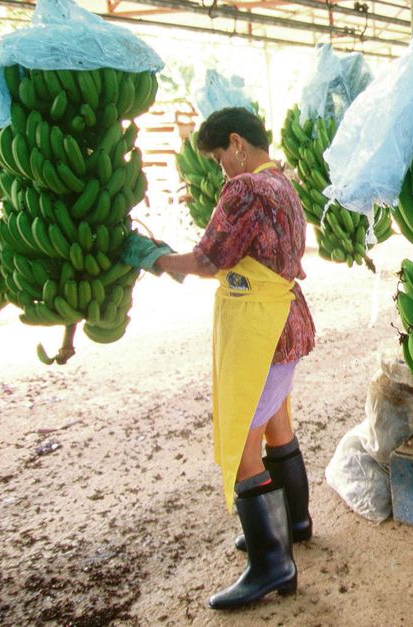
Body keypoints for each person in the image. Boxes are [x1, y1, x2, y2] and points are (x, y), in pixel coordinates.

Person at [123, 107, 317, 610]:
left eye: (217, 159)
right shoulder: (282, 182)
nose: (220, 171)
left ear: (237, 143)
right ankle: (293, 522)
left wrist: (155, 258)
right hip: (285, 320)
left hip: (262, 331)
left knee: (242, 447)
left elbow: (210, 260)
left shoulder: (247, 188)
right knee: (276, 424)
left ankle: (273, 565)